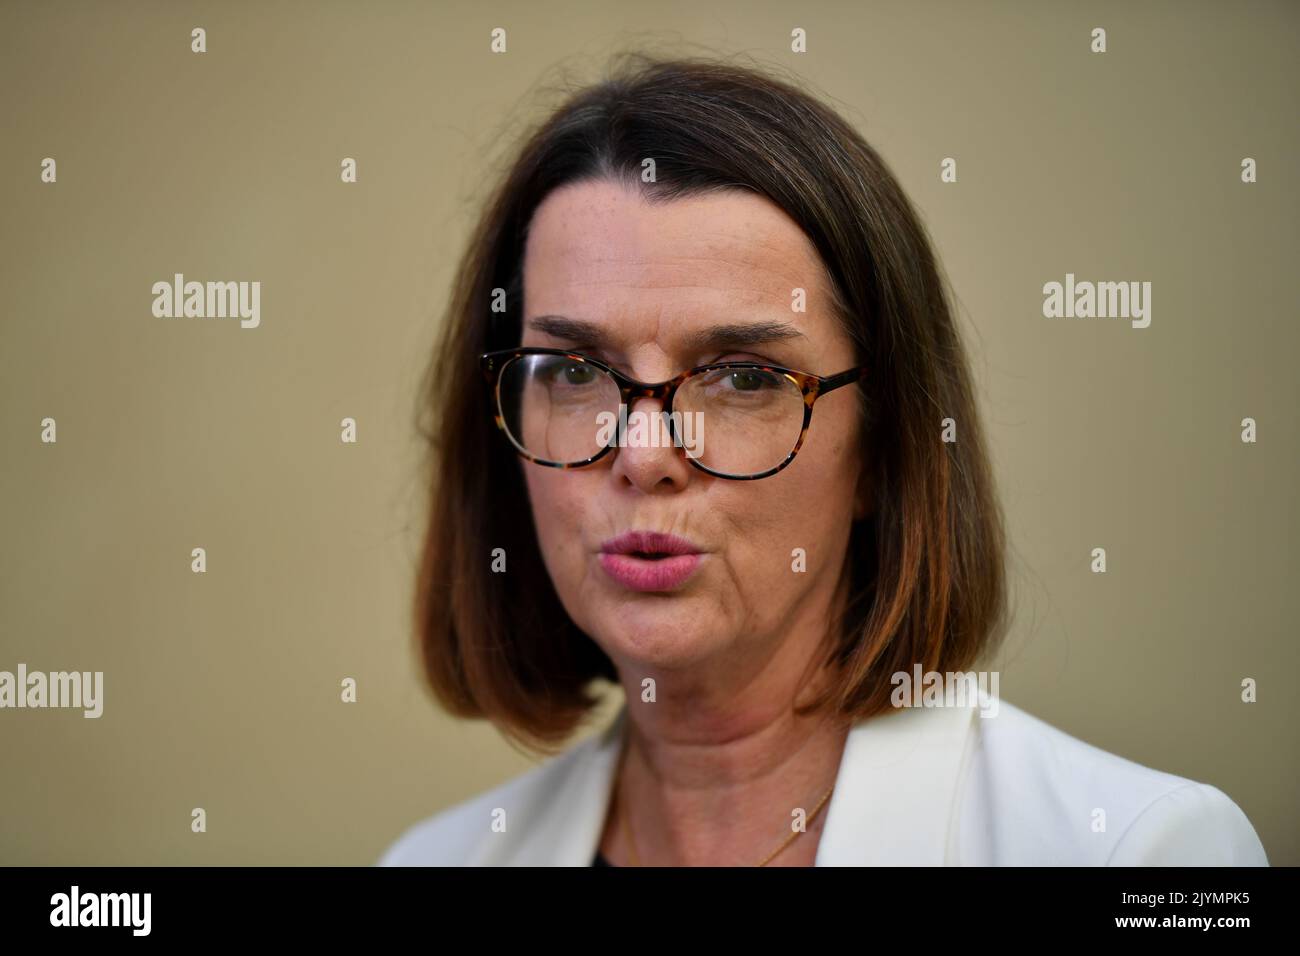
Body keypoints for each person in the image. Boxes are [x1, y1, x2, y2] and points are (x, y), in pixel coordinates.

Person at [379, 55, 1267, 866]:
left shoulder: (1144, 852)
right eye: (574, 371)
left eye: (743, 378)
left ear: (886, 448)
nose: (645, 455)